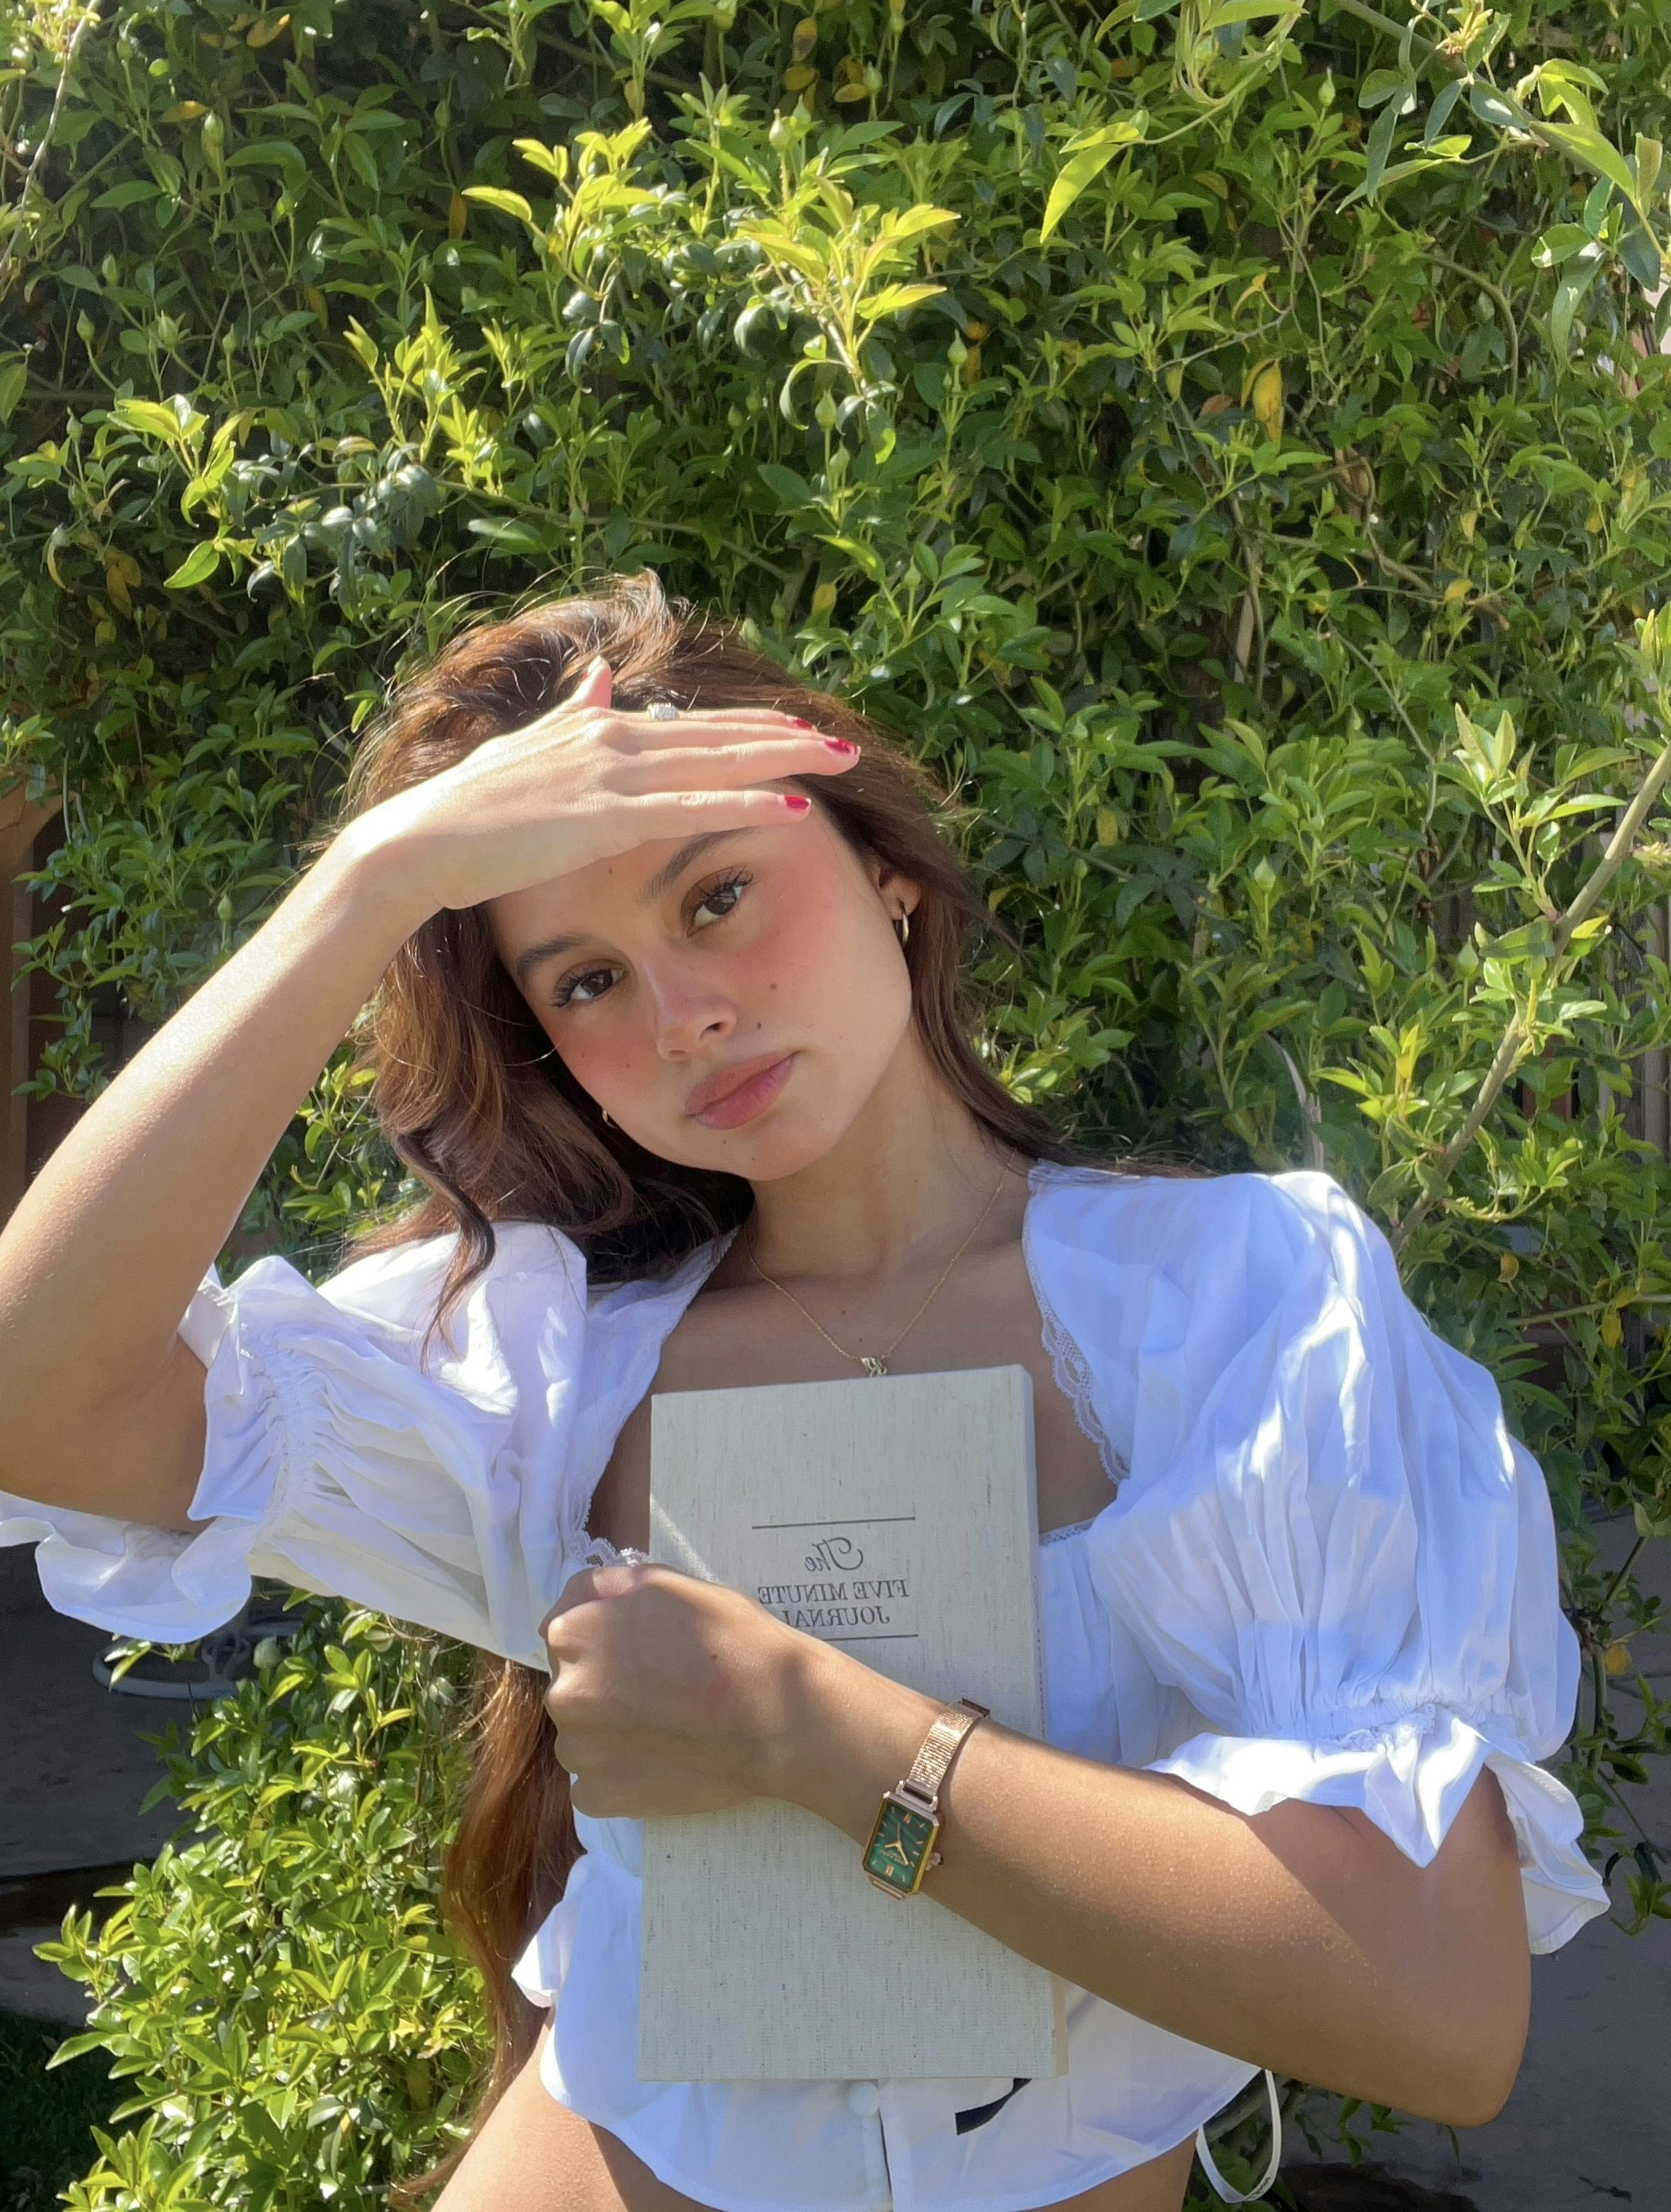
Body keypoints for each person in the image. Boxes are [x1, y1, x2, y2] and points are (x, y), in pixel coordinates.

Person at [0, 573, 1606, 2212]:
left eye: (714, 897)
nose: (684, 1011)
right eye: (583, 982)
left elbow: (1433, 2006)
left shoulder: (1236, 1304)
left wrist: (803, 1724)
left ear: (887, 874)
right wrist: (370, 881)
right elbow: (33, 1395)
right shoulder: (552, 1360)